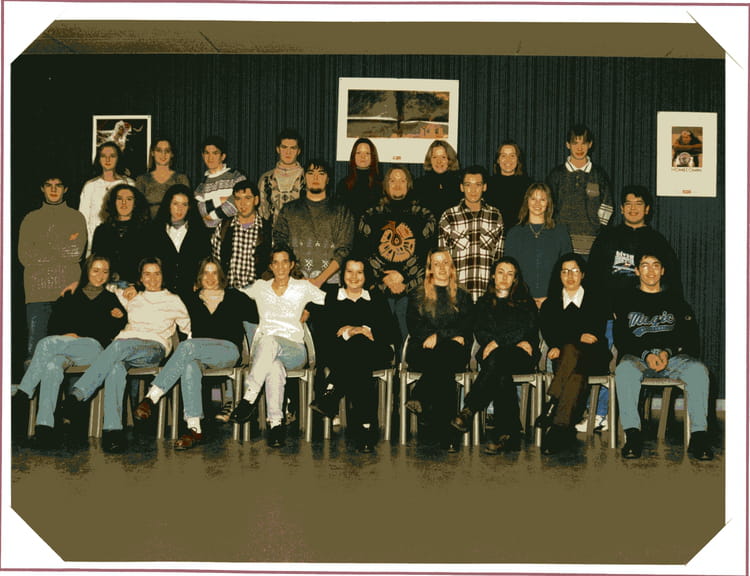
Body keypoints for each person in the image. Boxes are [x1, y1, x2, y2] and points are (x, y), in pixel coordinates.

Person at [62, 257, 191, 453]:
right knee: (115, 368)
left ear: (163, 276)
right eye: (147, 274)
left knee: (118, 347)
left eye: (157, 273)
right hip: (122, 348)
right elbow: (104, 284)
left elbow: (189, 331)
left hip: (152, 348)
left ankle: (77, 396)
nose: (152, 279)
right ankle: (113, 431)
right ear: (140, 278)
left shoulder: (173, 300)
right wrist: (77, 284)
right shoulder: (132, 297)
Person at [133, 258, 258, 451]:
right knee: (189, 366)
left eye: (214, 272)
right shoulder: (190, 300)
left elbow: (259, 314)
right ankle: (194, 427)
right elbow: (161, 299)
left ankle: (152, 397)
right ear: (200, 277)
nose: (210, 277)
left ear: (221, 276)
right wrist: (134, 289)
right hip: (198, 355)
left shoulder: (235, 297)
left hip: (227, 352)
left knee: (187, 346)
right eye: (206, 272)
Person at [12, 255, 127, 448]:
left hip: (93, 350)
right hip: (65, 347)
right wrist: (67, 334)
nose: (100, 275)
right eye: (95, 270)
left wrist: (118, 317)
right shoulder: (70, 294)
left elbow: (113, 332)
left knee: (46, 344)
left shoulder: (110, 299)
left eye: (105, 271)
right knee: (51, 365)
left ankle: (23, 394)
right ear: (87, 271)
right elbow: (54, 324)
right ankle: (44, 428)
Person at [614, 250, 713, 461]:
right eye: (645, 265)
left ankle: (698, 436)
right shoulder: (625, 301)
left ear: (663, 270)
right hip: (637, 358)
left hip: (672, 358)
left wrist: (668, 352)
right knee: (624, 371)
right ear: (637, 271)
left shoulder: (676, 301)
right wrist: (646, 354)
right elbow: (621, 338)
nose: (651, 271)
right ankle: (632, 435)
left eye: (656, 265)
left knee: (698, 371)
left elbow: (688, 337)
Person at [229, 246, 326, 448]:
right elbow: (233, 296)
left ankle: (249, 397)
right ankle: (276, 425)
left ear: (291, 265)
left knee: (269, 341)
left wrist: (310, 309)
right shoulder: (260, 287)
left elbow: (329, 301)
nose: (280, 267)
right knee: (273, 366)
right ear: (270, 266)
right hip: (266, 353)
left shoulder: (302, 287)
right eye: (276, 262)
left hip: (294, 350)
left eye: (285, 262)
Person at [451, 257, 539, 454]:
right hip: (494, 356)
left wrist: (498, 341)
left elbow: (527, 329)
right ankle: (506, 435)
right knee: (500, 372)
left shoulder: (526, 302)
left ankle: (469, 409)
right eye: (500, 272)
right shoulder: (482, 303)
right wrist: (506, 340)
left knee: (498, 360)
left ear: (515, 278)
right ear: (492, 275)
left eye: (510, 274)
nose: (504, 277)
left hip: (521, 355)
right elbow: (481, 332)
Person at [309, 257, 397, 452]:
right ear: (343, 275)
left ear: (366, 276)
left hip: (374, 352)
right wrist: (350, 332)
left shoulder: (376, 298)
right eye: (350, 271)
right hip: (340, 353)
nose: (354, 277)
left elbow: (391, 332)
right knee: (358, 359)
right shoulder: (331, 297)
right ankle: (366, 425)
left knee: (359, 347)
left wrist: (364, 330)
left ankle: (332, 391)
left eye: (359, 272)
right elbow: (323, 332)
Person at [536, 253, 611, 454]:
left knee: (569, 348)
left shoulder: (596, 300)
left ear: (583, 274)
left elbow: (593, 334)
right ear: (559, 275)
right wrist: (575, 336)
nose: (570, 276)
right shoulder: (550, 304)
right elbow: (550, 332)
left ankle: (553, 401)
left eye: (575, 271)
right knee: (576, 376)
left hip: (594, 357)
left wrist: (563, 341)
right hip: (564, 361)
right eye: (565, 271)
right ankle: (560, 430)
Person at [356, 165, 436, 347]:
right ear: (386, 185)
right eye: (393, 180)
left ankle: (406, 361)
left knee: (408, 329)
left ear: (409, 184)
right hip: (379, 286)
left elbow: (427, 254)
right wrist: (385, 278)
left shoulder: (424, 216)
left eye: (402, 180)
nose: (397, 185)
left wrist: (404, 276)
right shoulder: (370, 215)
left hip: (413, 288)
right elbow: (364, 253)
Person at [405, 249, 473, 452]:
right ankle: (449, 434)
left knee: (446, 357)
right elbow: (414, 326)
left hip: (453, 351)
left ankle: (421, 393)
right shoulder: (417, 294)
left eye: (445, 262)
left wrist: (440, 336)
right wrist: (445, 336)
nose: (442, 267)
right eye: (436, 263)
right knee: (444, 366)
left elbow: (467, 326)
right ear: (430, 269)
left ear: (451, 267)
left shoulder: (463, 296)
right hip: (423, 350)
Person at [18, 173, 87, 362]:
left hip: (67, 294)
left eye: (58, 185)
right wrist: (63, 242)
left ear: (66, 189)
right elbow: (25, 256)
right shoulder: (30, 219)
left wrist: (42, 245)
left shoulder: (76, 217)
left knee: (70, 353)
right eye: (49, 185)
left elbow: (75, 252)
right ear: (42, 188)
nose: (54, 189)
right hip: (37, 294)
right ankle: (32, 383)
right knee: (35, 353)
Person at [587, 185, 683, 302]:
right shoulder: (606, 238)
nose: (633, 208)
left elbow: (671, 281)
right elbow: (592, 277)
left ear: (647, 209)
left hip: (645, 308)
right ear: (622, 209)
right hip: (609, 306)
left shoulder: (658, 241)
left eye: (638, 204)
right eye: (628, 204)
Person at [273, 159, 354, 290]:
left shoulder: (342, 211)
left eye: (321, 173)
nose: (315, 178)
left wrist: (319, 280)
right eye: (311, 173)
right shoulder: (289, 210)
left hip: (330, 284)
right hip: (294, 282)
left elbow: (344, 250)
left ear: (328, 179)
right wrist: (299, 277)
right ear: (304, 178)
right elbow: (280, 245)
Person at [438, 165, 504, 301]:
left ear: (484, 187)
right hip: (457, 295)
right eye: (468, 185)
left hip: (487, 296)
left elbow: (499, 259)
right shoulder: (448, 216)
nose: (473, 190)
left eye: (478, 185)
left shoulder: (495, 216)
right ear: (461, 187)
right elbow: (441, 259)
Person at [545, 124, 613, 255]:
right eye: (575, 143)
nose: (579, 148)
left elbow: (607, 205)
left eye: (584, 143)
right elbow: (548, 207)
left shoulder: (599, 175)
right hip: (561, 241)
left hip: (591, 243)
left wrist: (597, 228)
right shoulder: (556, 175)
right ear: (567, 145)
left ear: (590, 144)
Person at [504, 183, 572, 308]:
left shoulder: (560, 232)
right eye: (533, 199)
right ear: (527, 201)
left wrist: (553, 297)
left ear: (548, 203)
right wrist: (524, 298)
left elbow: (568, 269)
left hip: (554, 300)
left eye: (542, 199)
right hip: (521, 302)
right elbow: (509, 272)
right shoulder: (514, 234)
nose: (537, 203)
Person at [148, 184, 210, 299]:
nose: (180, 209)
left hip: (192, 294)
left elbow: (205, 263)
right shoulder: (153, 232)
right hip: (160, 293)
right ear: (168, 205)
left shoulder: (200, 233)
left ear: (189, 207)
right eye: (175, 204)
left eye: (184, 204)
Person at [79, 141, 135, 253]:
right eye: (104, 156)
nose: (108, 160)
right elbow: (83, 220)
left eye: (112, 156)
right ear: (99, 159)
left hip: (125, 244)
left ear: (118, 158)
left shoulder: (129, 184)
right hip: (95, 245)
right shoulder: (90, 186)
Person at [91, 183, 151, 285]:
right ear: (113, 202)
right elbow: (95, 263)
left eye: (129, 199)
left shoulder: (148, 231)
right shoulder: (102, 231)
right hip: (107, 285)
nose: (124, 203)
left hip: (139, 286)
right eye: (119, 199)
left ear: (135, 203)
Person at [193, 136, 245, 228]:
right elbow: (199, 210)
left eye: (215, 153)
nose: (210, 157)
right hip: (208, 232)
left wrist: (212, 216)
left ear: (223, 156)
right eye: (207, 153)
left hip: (233, 231)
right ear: (203, 155)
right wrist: (221, 200)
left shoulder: (236, 176)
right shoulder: (201, 185)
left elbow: (240, 203)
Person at [258, 128, 306, 223]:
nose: (288, 152)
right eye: (284, 147)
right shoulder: (266, 179)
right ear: (278, 149)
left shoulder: (307, 178)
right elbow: (262, 211)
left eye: (293, 148)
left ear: (299, 151)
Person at [135, 137, 191, 219]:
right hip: (149, 224)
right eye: (159, 150)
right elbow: (138, 209)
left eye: (167, 151)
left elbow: (187, 207)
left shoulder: (181, 179)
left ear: (172, 154)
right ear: (152, 153)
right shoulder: (142, 180)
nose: (163, 154)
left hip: (174, 224)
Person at [485, 140, 533, 230]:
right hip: (493, 232)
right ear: (498, 160)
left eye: (512, 156)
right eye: (503, 155)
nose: (508, 160)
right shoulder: (488, 184)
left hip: (520, 232)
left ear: (518, 159)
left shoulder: (528, 184)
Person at [412, 140, 462, 222]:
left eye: (443, 157)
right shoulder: (419, 184)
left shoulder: (459, 184)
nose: (439, 161)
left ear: (450, 160)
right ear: (430, 160)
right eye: (435, 157)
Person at [335, 138, 383, 219]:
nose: (363, 156)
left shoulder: (380, 184)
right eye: (358, 153)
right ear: (353, 156)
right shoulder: (344, 184)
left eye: (367, 153)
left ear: (372, 157)